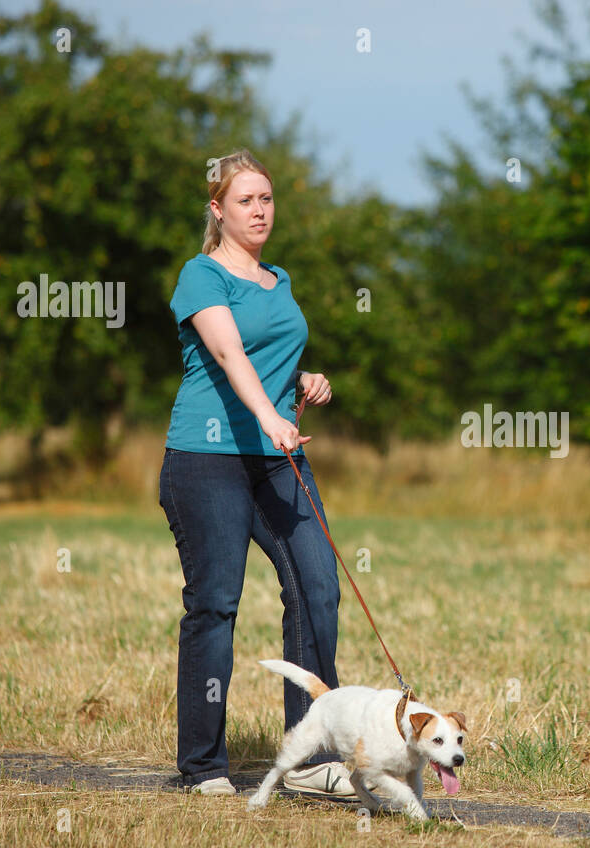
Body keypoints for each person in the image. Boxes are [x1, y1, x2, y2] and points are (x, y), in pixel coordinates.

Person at [159, 148, 350, 796]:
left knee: (318, 586)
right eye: (245, 200)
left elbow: (268, 353)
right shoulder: (201, 276)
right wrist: (269, 413)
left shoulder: (280, 280)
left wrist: (303, 377)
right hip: (205, 460)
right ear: (218, 209)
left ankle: (311, 757)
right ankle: (203, 767)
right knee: (216, 603)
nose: (260, 209)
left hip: (278, 458)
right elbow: (226, 350)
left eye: (266, 198)